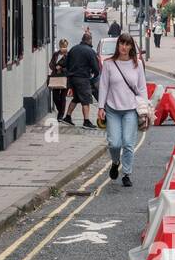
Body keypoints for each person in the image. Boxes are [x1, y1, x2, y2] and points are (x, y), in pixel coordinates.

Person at [98, 33, 148, 187]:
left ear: (131, 46)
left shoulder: (137, 64)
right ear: (118, 45)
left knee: (128, 143)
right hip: (112, 109)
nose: (124, 47)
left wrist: (144, 109)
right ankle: (115, 162)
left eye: (127, 44)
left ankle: (126, 173)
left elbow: (141, 88)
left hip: (131, 110)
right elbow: (104, 85)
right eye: (121, 44)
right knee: (114, 143)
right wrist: (101, 106)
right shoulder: (109, 64)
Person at [63, 30, 101, 128]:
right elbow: (96, 68)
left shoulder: (73, 49)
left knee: (76, 98)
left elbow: (65, 64)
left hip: (72, 78)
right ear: (90, 41)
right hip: (83, 79)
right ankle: (86, 121)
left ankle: (67, 117)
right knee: (86, 100)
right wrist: (96, 75)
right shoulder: (90, 51)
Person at [48, 39, 69, 119]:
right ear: (60, 46)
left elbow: (70, 67)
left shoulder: (68, 55)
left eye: (64, 46)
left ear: (67, 46)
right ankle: (60, 110)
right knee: (55, 97)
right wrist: (54, 67)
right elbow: (51, 64)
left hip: (64, 78)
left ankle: (61, 114)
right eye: (62, 46)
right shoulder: (56, 54)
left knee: (63, 97)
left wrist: (62, 68)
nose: (63, 48)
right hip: (55, 78)